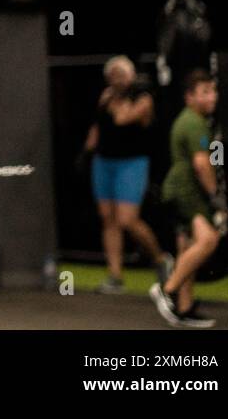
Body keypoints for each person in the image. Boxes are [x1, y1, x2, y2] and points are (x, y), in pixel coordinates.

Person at [80, 55, 172, 293]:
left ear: (131, 76)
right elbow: (98, 125)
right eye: (112, 75)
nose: (116, 79)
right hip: (103, 163)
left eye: (121, 74)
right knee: (108, 219)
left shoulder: (143, 100)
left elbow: (122, 118)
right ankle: (115, 276)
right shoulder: (105, 98)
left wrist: (113, 100)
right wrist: (88, 148)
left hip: (132, 164)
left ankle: (161, 260)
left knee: (127, 220)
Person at [150, 69, 224, 327]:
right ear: (189, 97)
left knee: (187, 249)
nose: (212, 97)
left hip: (177, 191)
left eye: (213, 91)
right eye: (204, 92)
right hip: (185, 193)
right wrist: (216, 199)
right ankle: (167, 290)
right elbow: (202, 164)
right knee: (208, 241)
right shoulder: (193, 122)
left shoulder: (192, 120)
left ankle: (184, 308)